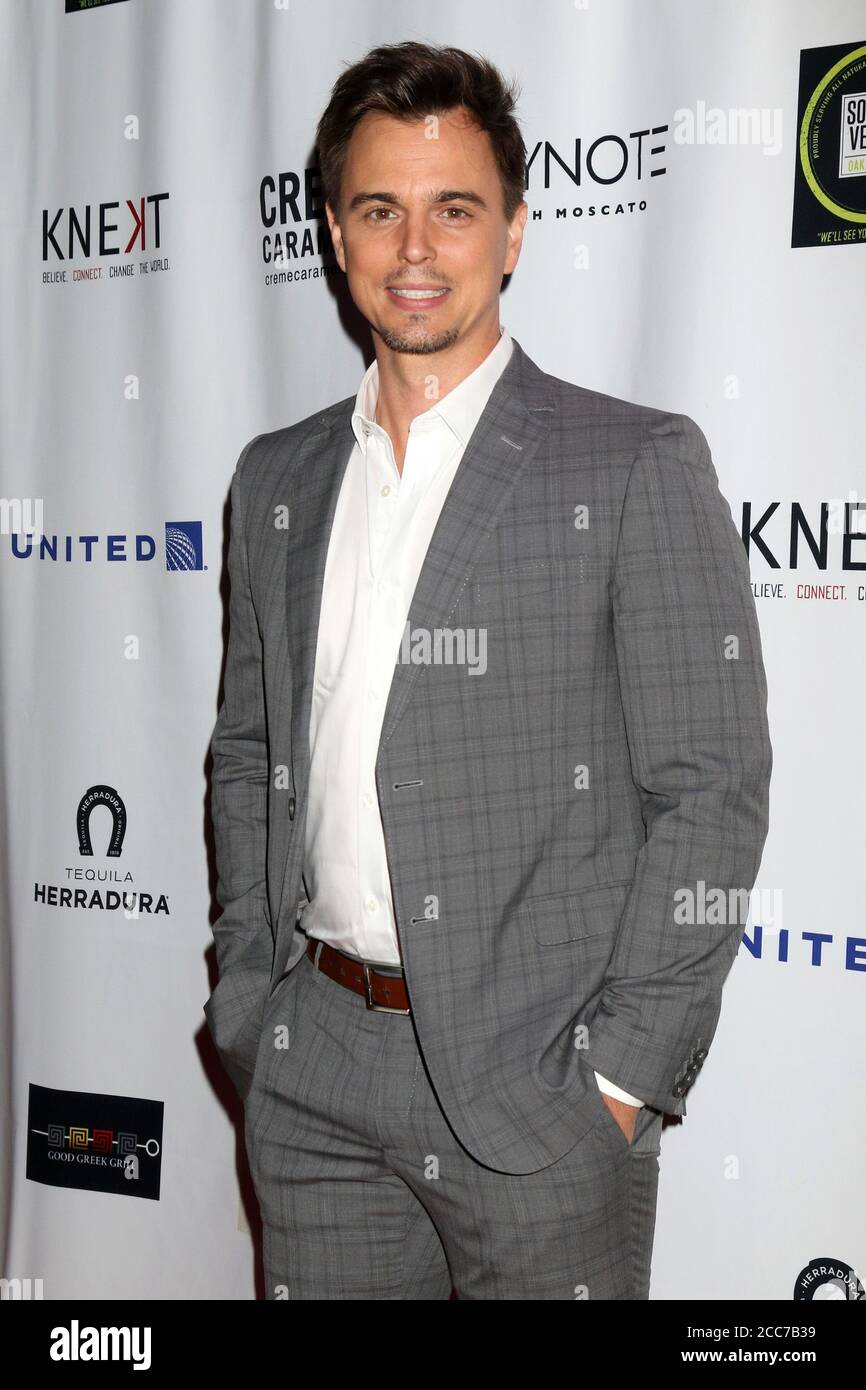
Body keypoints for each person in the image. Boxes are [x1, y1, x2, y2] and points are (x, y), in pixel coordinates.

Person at [204, 40, 772, 1300]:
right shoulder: (276, 482)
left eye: (454, 209)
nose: (416, 248)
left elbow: (710, 790)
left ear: (512, 231)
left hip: (538, 1095)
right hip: (314, 1065)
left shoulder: (625, 465)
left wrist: (617, 1085)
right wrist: (252, 995)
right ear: (335, 238)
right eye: (379, 210)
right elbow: (248, 752)